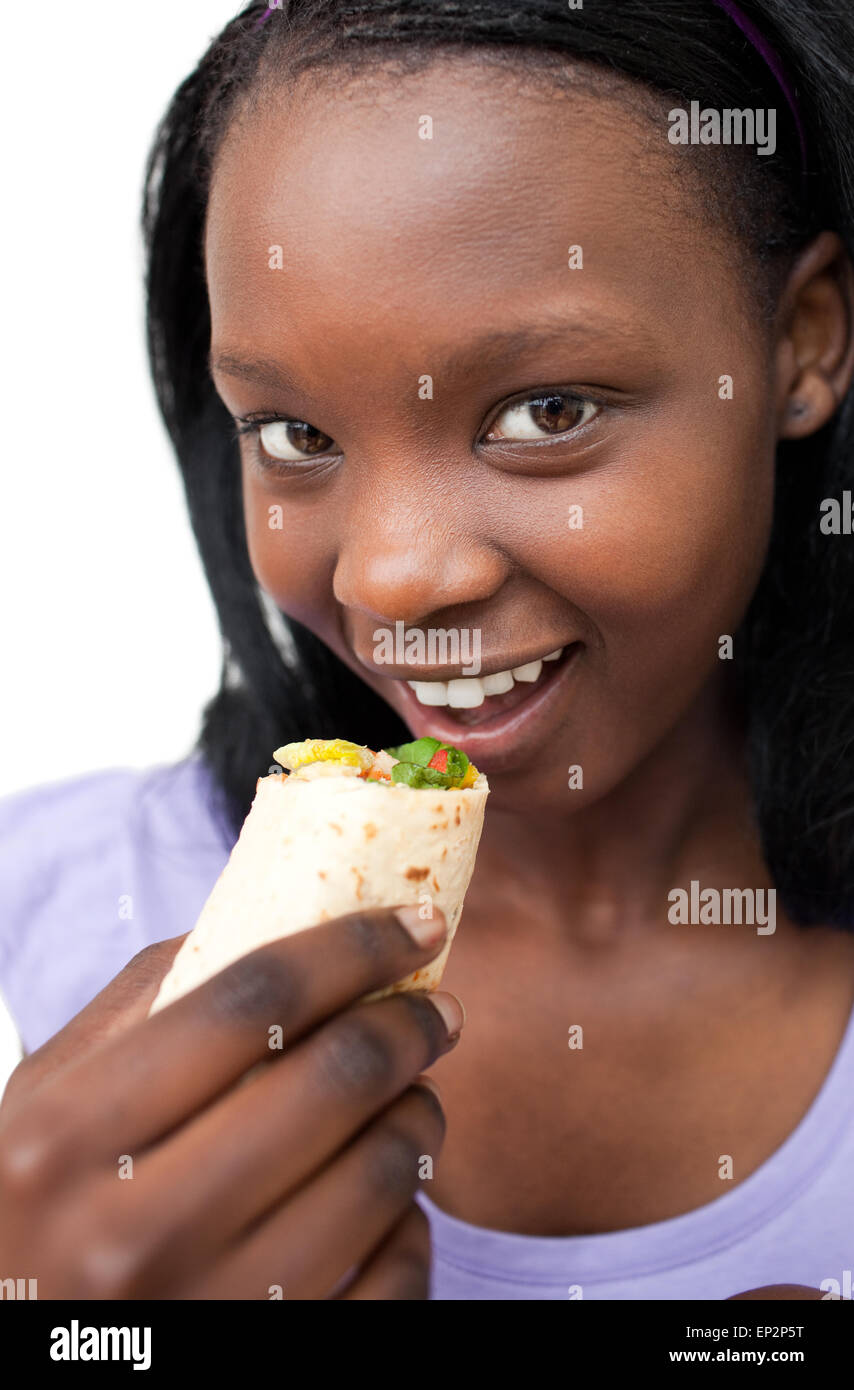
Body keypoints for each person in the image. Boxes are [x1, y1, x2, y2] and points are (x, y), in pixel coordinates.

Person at [2, 0, 853, 1300]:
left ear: (800, 343)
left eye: (544, 410)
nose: (387, 573)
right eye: (291, 434)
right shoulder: (29, 922)